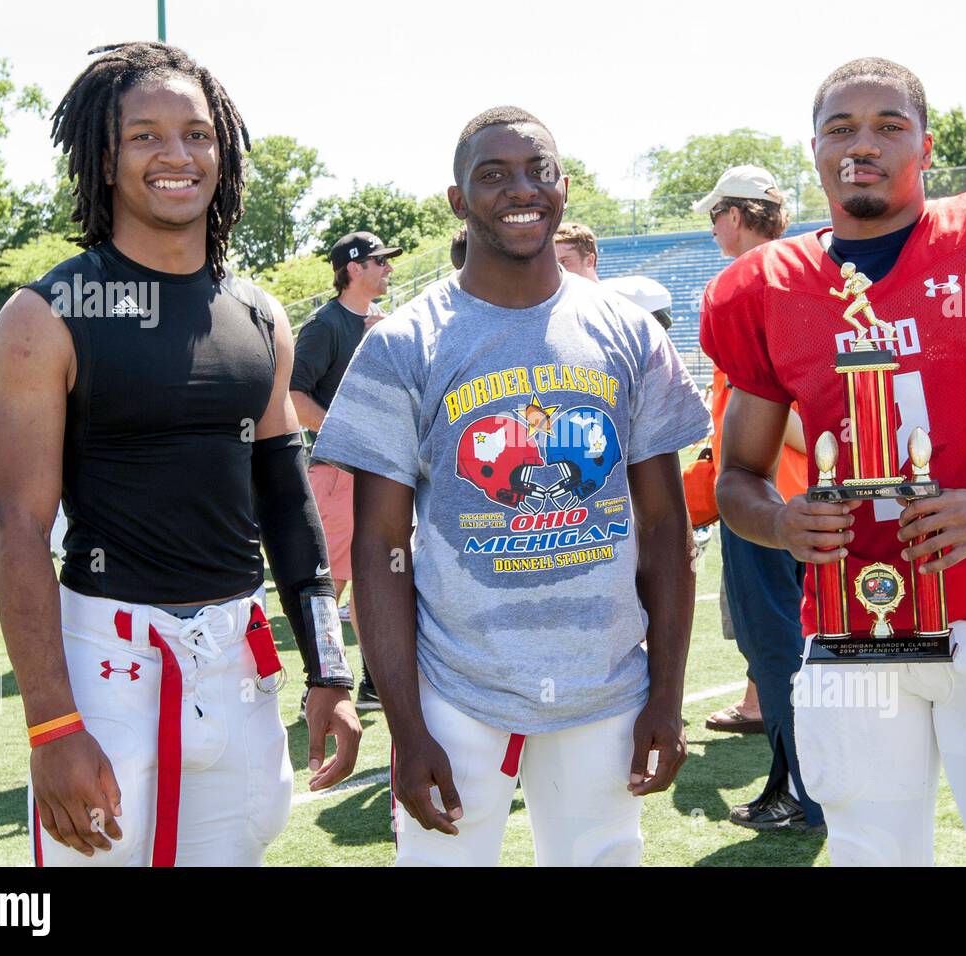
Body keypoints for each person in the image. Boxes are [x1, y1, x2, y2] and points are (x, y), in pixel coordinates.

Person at [703, 57, 966, 866]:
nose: (862, 144)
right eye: (841, 128)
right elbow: (737, 480)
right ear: (814, 149)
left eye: (889, 126)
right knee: (870, 851)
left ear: (927, 147)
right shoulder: (767, 287)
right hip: (847, 628)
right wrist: (782, 523)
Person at [0, 41, 360, 867]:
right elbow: (15, 526)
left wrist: (329, 670)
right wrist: (52, 723)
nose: (176, 154)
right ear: (104, 157)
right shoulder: (46, 315)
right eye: (144, 135)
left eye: (196, 133)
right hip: (106, 667)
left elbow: (287, 502)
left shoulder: (259, 316)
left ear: (223, 153)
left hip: (239, 665)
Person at [318, 106, 711, 866]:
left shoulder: (629, 331)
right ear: (457, 199)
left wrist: (667, 694)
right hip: (456, 688)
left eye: (538, 171)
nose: (521, 190)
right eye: (493, 175)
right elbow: (378, 547)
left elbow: (665, 527)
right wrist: (407, 725)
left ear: (563, 185)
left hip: (606, 684)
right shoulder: (402, 343)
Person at [693, 165, 822, 832]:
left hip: (768, 508)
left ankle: (804, 791)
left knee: (776, 653)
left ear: (736, 216)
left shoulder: (746, 288)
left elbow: (792, 417)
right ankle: (803, 783)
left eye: (716, 215)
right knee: (805, 651)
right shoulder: (806, 274)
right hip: (803, 504)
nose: (713, 227)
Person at [291, 230, 401, 713]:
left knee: (375, 578)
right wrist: (346, 435)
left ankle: (372, 683)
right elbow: (293, 398)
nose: (389, 268)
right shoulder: (325, 324)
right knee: (330, 583)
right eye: (380, 261)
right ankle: (320, 685)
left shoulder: (384, 322)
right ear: (354, 268)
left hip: (377, 472)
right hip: (338, 471)